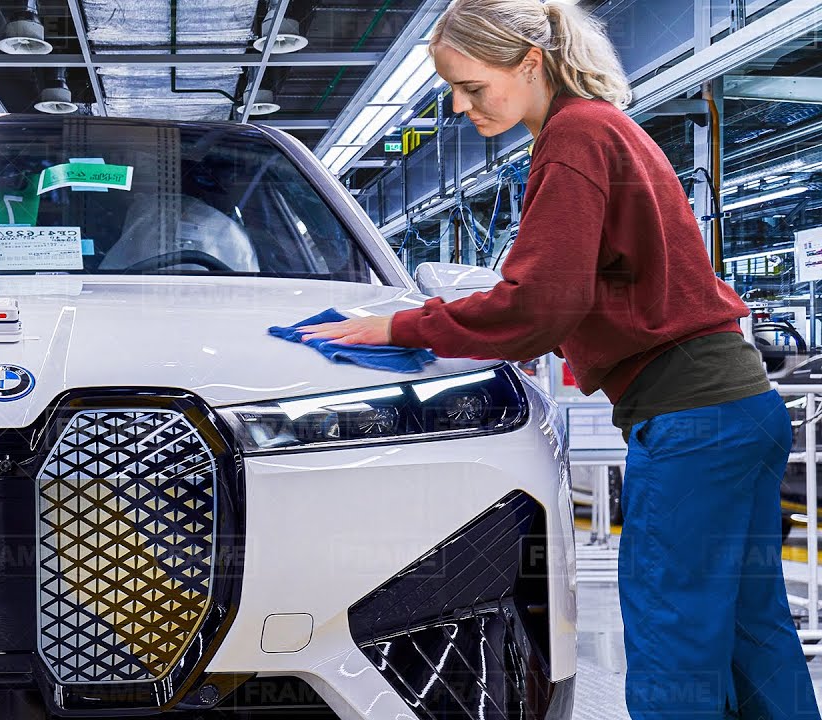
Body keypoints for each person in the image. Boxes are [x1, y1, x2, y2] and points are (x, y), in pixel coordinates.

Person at [300, 1, 821, 718]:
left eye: (473, 87)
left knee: (676, 639)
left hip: (692, 419)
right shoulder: (604, 128)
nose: (460, 105)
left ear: (528, 64)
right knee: (750, 630)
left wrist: (404, 327)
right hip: (741, 409)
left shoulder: (574, 137)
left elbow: (539, 307)